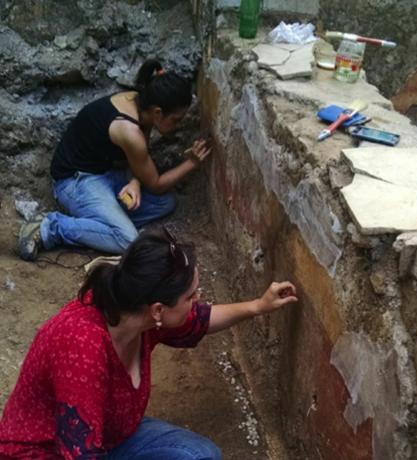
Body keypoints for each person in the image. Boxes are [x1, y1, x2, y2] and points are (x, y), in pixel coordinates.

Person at [0, 228, 298, 459]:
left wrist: (259, 306)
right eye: (191, 295)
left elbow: (201, 319)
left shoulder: (137, 312)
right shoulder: (82, 347)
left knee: (200, 456)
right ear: (157, 309)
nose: (198, 301)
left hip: (110, 436)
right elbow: (81, 453)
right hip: (51, 452)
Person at [18, 59, 211, 261]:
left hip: (104, 174)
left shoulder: (141, 103)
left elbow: (139, 161)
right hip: (75, 182)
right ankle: (50, 226)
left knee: (165, 204)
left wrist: (134, 183)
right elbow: (156, 185)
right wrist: (192, 163)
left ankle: (102, 225)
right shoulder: (129, 130)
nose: (178, 125)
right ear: (158, 113)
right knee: (128, 240)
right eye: (176, 120)